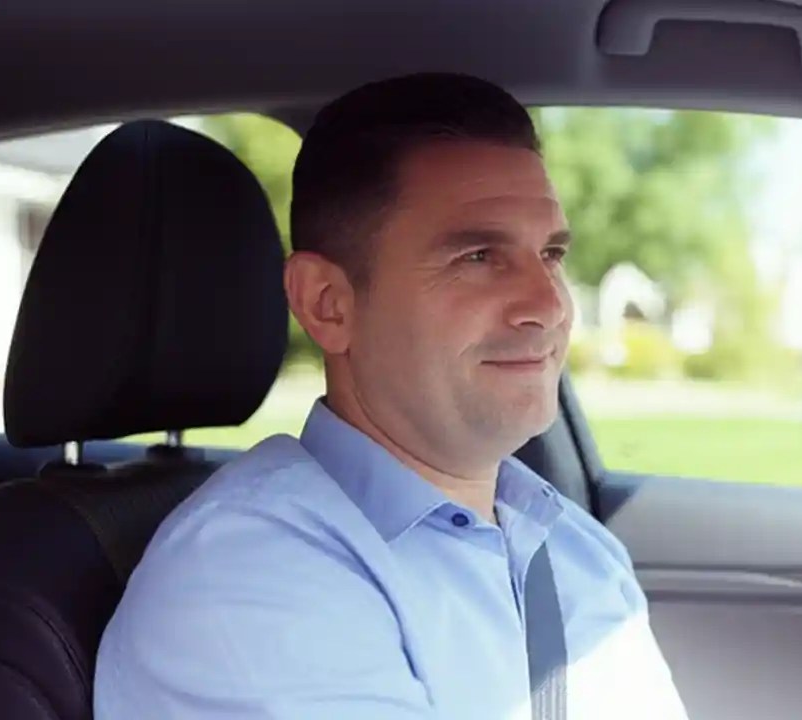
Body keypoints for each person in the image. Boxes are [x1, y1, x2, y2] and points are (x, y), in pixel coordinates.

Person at [94, 73, 688, 719]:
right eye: (479, 256)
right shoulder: (246, 579)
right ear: (328, 304)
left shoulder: (574, 546)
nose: (548, 305)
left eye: (549, 254)